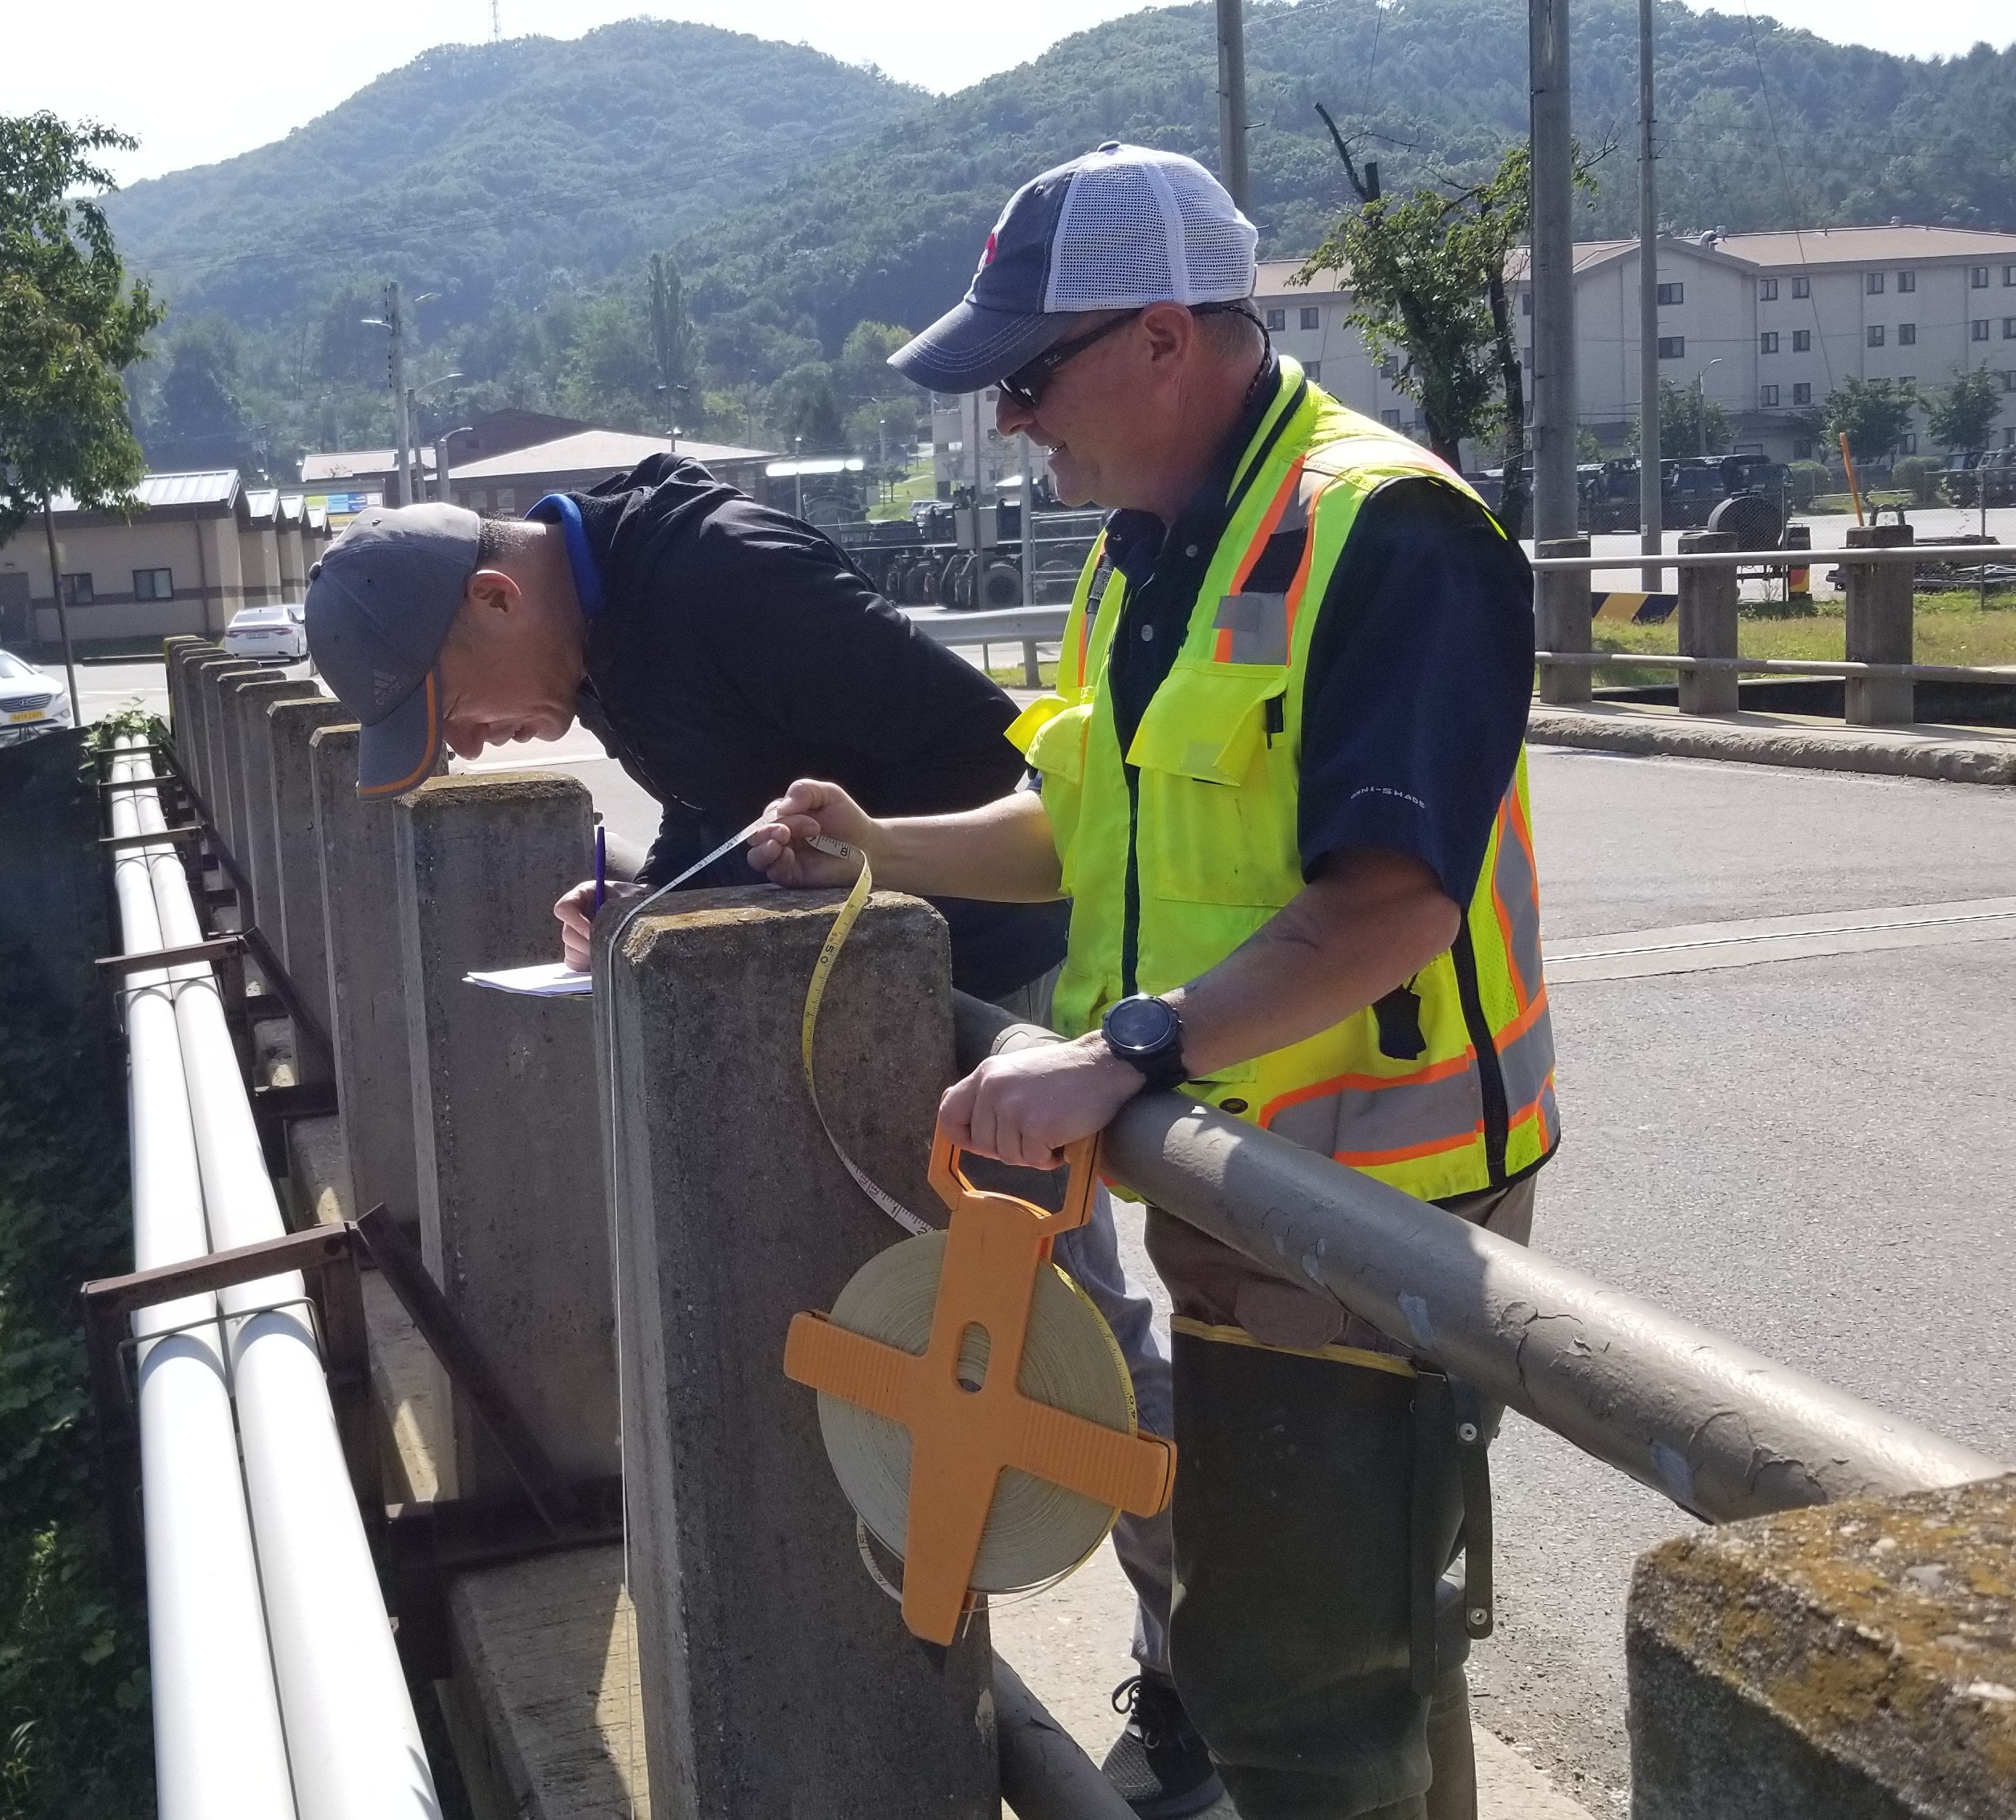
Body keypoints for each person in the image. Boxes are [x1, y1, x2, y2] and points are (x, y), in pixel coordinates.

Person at [746, 142, 1551, 1820]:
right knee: (1309, 1639)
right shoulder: (1144, 552)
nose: (1012, 422)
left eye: (1030, 378)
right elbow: (1069, 827)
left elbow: (1390, 908)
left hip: (1372, 1206)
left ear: (1167, 340)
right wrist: (874, 846)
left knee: (1315, 1681)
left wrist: (1122, 1054)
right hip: (1226, 1184)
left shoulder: (1389, 534)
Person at [303, 465, 1221, 1818]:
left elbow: (1007, 772)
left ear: (497, 598)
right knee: (911, 1339)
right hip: (850, 1000)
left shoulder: (727, 575)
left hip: (985, 994)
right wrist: (645, 886)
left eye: (456, 713)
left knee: (1060, 1336)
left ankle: (1203, 1686)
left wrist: (799, 876)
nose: (479, 745)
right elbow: (733, 792)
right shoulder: (593, 637)